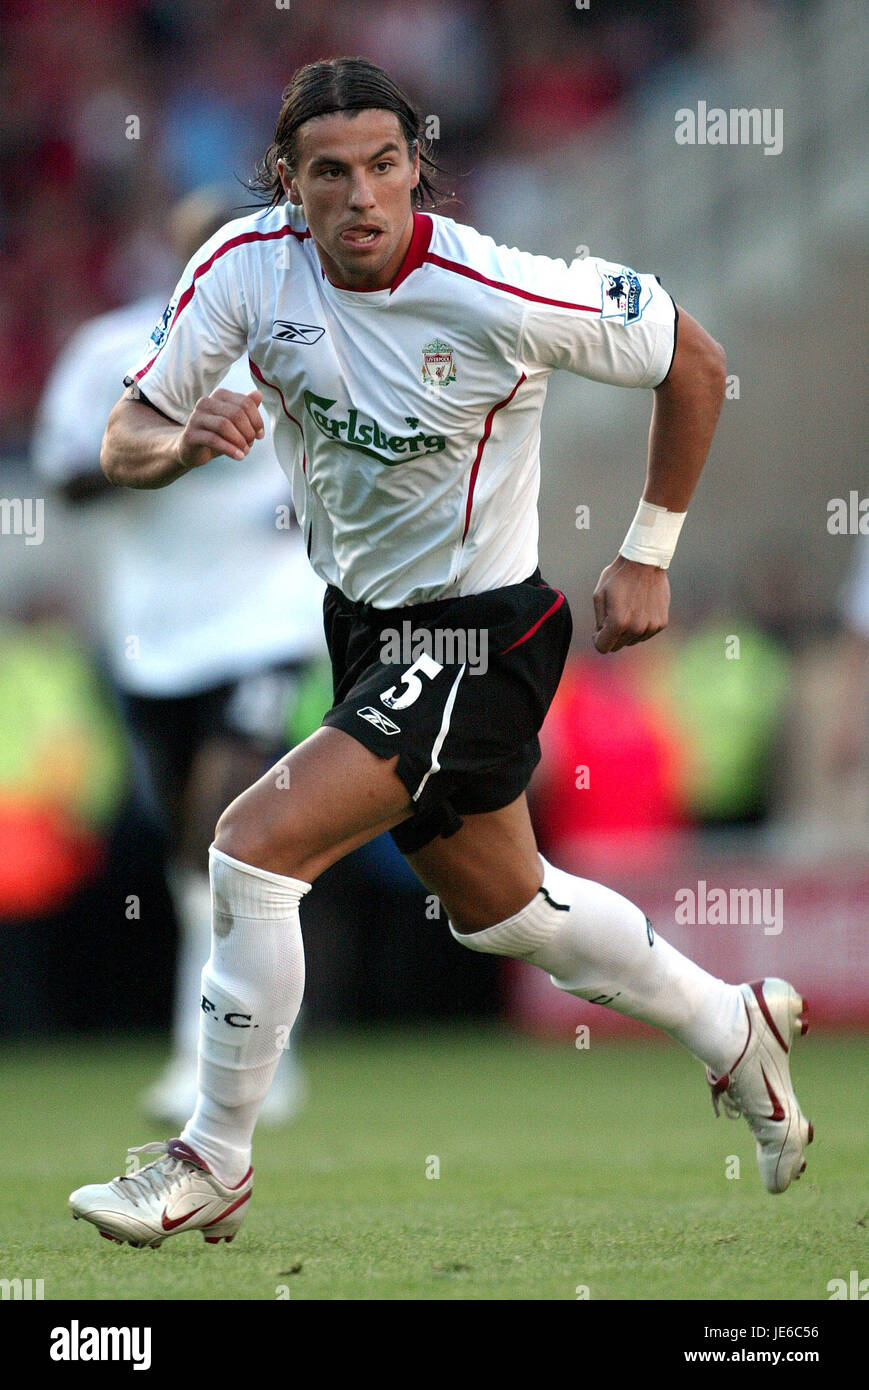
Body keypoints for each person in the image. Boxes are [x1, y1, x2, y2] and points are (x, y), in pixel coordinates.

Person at [69, 57, 812, 1249]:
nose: (360, 196)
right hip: (364, 628)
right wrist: (180, 439)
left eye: (383, 165)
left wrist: (647, 551)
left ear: (417, 164)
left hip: (479, 629)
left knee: (251, 847)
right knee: (511, 914)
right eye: (329, 173)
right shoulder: (242, 268)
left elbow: (697, 360)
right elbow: (124, 432)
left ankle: (208, 1157)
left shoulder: (494, 285)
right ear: (285, 182)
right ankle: (733, 1028)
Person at [34, 186, 327, 1127]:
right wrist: (169, 449)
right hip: (154, 635)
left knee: (228, 822)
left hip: (270, 623)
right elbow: (66, 479)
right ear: (184, 257)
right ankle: (247, 1045)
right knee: (186, 858)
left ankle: (214, 1063)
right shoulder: (111, 354)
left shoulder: (312, 345)